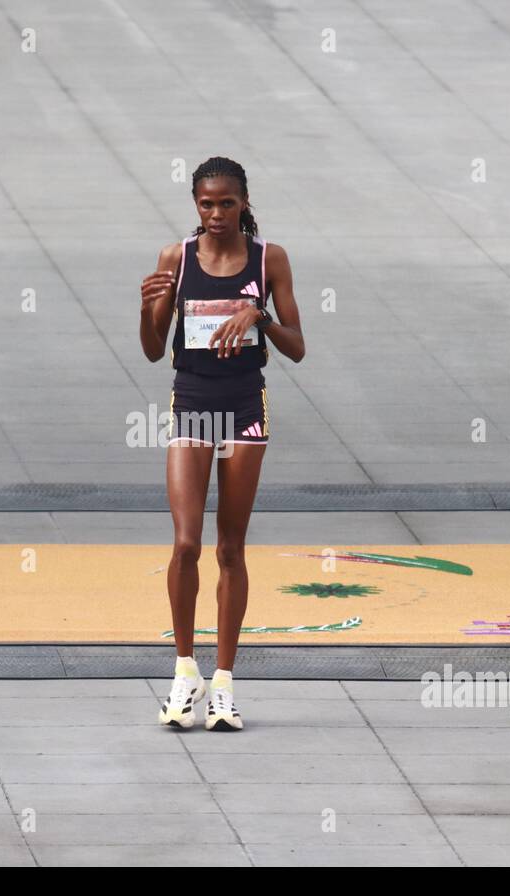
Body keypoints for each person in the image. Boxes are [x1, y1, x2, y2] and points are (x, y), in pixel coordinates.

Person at [138, 156, 306, 730]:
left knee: (230, 548)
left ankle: (225, 685)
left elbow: (298, 346)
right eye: (205, 204)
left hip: (242, 408)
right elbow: (153, 349)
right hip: (192, 403)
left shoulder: (269, 259)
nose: (215, 214)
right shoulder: (176, 258)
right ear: (195, 204)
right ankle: (185, 673)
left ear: (244, 202)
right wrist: (148, 305)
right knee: (186, 544)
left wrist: (259, 315)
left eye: (226, 203)